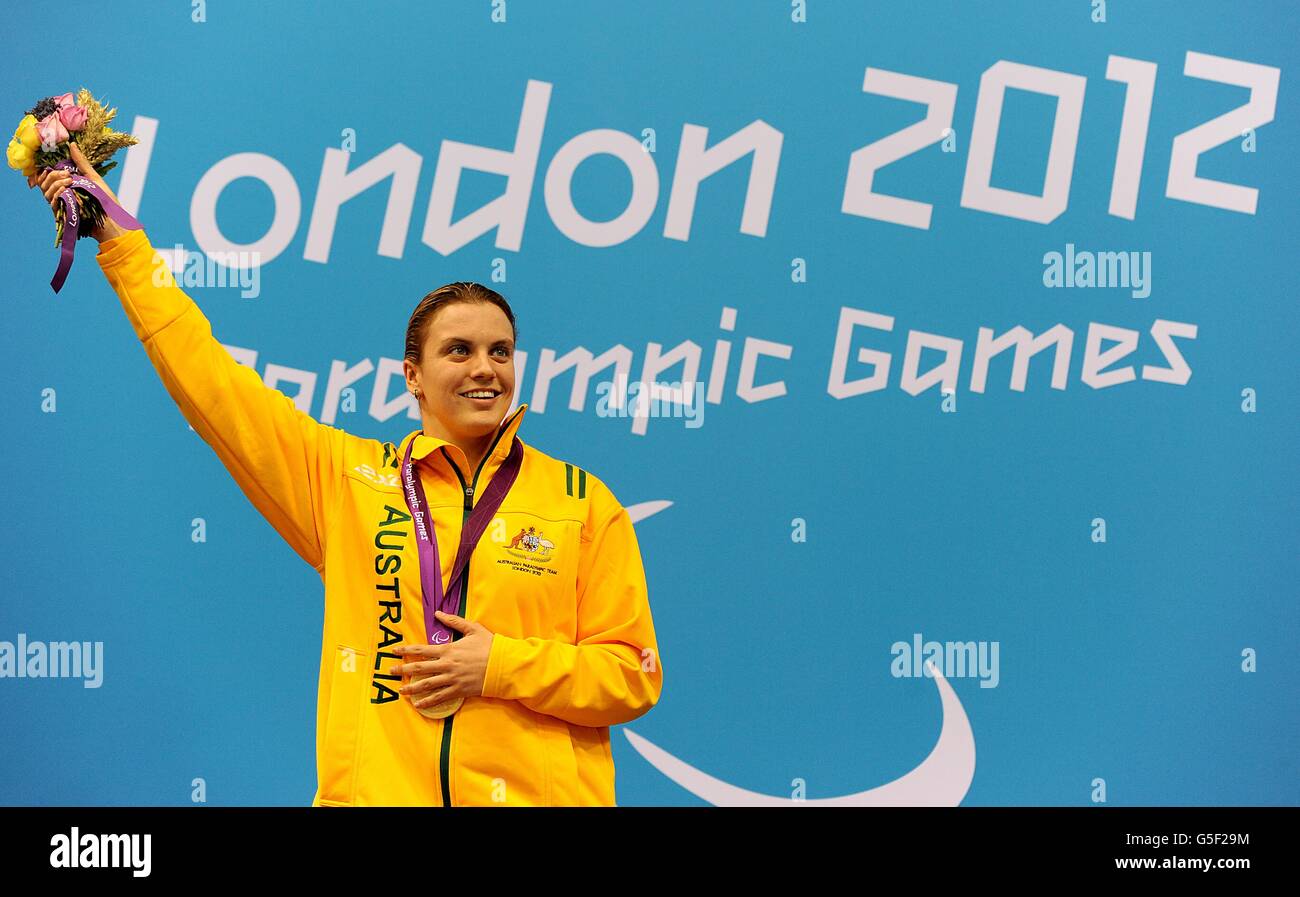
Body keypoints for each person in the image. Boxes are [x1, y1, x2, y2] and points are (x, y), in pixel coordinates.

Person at [30, 147, 663, 807]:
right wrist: (122, 245)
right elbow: (211, 382)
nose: (486, 368)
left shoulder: (582, 504)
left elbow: (634, 674)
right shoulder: (346, 478)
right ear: (412, 376)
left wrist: (499, 665)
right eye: (460, 350)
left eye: (500, 351)